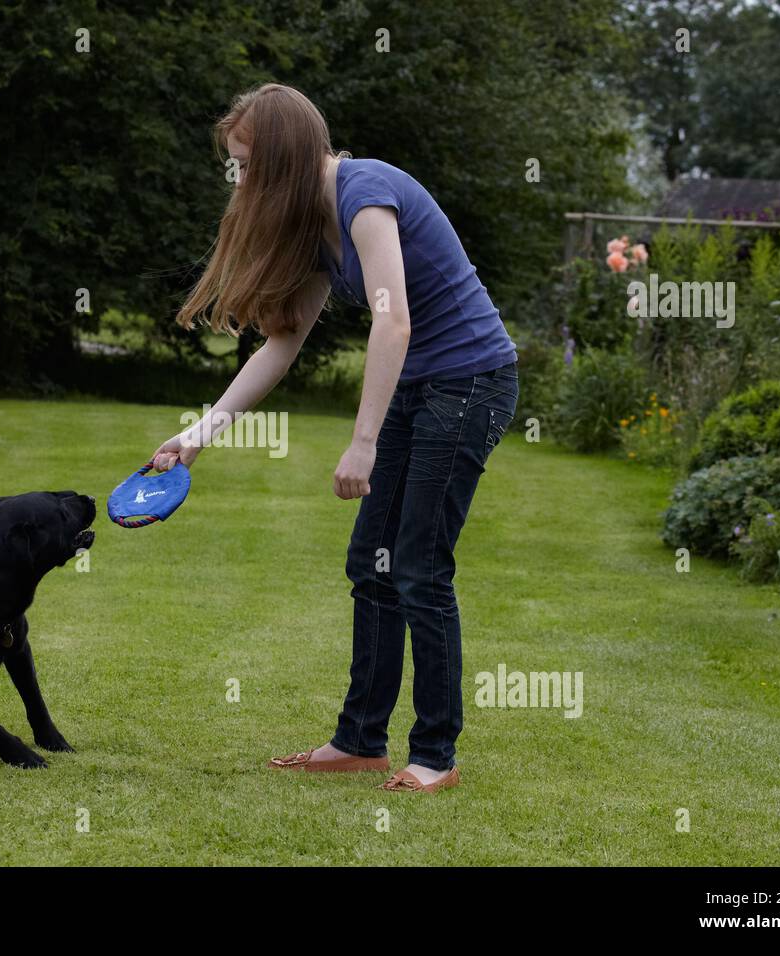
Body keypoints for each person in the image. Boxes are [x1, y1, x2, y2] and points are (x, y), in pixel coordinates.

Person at [151, 83, 518, 793]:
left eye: (247, 165)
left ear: (284, 158)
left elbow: (395, 320)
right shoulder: (314, 225)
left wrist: (362, 442)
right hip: (420, 388)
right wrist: (199, 434)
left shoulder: (365, 194)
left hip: (471, 383)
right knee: (372, 564)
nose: (241, 181)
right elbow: (279, 347)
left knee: (418, 566)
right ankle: (360, 741)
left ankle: (435, 755)